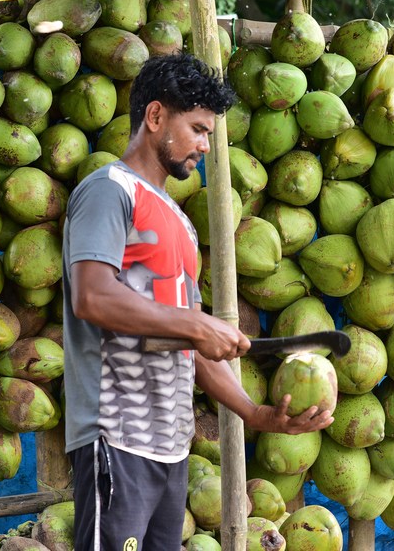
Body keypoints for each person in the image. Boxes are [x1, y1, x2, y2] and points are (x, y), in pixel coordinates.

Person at [61, 54, 334, 551]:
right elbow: (92, 296)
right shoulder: (109, 190)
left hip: (171, 449)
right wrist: (196, 324)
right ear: (155, 116)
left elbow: (187, 342)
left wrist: (255, 412)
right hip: (115, 437)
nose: (205, 146)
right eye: (198, 130)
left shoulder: (181, 223)